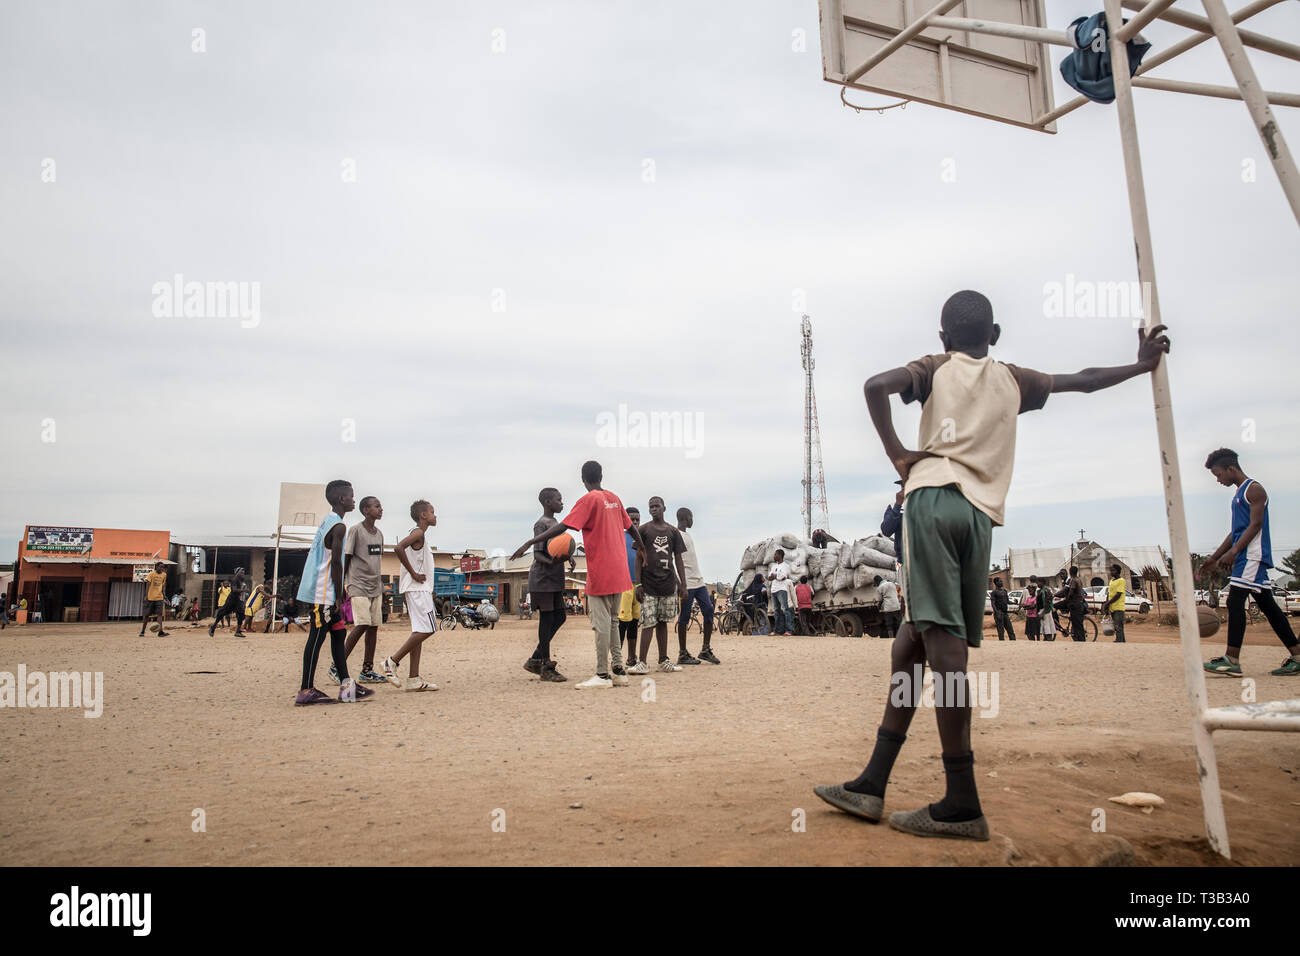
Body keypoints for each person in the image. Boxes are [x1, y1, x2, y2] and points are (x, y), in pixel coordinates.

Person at [814, 289, 1170, 841]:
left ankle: (961, 800)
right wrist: (1142, 365)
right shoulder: (1015, 378)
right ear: (995, 335)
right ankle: (871, 782)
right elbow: (1084, 378)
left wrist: (899, 456)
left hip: (933, 501)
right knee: (910, 641)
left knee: (943, 643)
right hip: (979, 517)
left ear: (942, 338)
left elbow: (875, 386)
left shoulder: (934, 368)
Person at [511, 462, 644, 689]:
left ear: (583, 479)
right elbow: (631, 527)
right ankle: (619, 670)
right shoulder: (614, 498)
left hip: (601, 570)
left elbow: (563, 527)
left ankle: (602, 674)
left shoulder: (588, 500)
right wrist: (643, 549)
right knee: (613, 621)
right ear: (601, 475)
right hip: (619, 570)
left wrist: (529, 542)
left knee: (601, 624)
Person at [1202, 449, 1300, 677]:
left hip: (1252, 556)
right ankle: (1297, 656)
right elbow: (1235, 531)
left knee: (1235, 601)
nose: (1218, 480)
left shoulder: (1254, 490)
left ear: (1231, 469)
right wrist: (1215, 557)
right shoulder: (1238, 496)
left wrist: (1235, 552)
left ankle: (1232, 660)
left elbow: (1255, 525)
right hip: (1245, 556)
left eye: (1218, 474)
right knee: (1268, 607)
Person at [295, 480, 373, 706]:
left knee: (339, 634)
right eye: (351, 496)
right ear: (342, 499)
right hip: (323, 593)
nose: (353, 500)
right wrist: (339, 594)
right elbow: (337, 564)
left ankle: (347, 686)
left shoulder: (329, 522)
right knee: (316, 638)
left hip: (327, 591)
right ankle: (305, 690)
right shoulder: (338, 526)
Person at [382, 500, 441, 692]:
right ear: (423, 515)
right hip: (418, 588)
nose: (435, 515)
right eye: (432, 512)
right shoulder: (418, 533)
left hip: (417, 589)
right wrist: (414, 574)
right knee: (429, 628)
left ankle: (414, 679)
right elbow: (398, 548)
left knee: (419, 631)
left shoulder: (418, 534)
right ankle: (392, 662)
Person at [331, 496, 388, 685]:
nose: (381, 509)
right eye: (376, 506)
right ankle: (336, 667)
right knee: (362, 624)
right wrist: (341, 586)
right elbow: (346, 558)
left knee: (373, 627)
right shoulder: (355, 530)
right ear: (365, 510)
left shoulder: (379, 534)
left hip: (375, 586)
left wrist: (382, 587)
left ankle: (367, 670)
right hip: (358, 584)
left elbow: (376, 561)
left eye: (380, 506)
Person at [630, 497, 689, 674]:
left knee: (663, 622)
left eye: (657, 506)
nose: (654, 509)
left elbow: (677, 559)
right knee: (648, 622)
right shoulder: (644, 530)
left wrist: (683, 584)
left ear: (664, 507)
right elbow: (638, 558)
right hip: (648, 585)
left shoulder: (673, 531)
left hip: (668, 584)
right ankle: (642, 662)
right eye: (651, 507)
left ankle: (663, 660)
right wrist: (638, 583)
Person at [524, 487, 575, 683]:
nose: (562, 503)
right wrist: (553, 562)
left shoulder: (556, 523)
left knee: (560, 616)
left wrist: (568, 557)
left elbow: (560, 548)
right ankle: (544, 664)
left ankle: (536, 658)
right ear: (547, 502)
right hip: (542, 579)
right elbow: (537, 554)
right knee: (546, 619)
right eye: (558, 500)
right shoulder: (541, 524)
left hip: (555, 579)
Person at [676, 507, 720, 665]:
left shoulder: (688, 535)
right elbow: (674, 560)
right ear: (686, 518)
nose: (692, 520)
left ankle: (705, 650)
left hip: (699, 581)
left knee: (708, 610)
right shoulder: (676, 534)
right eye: (691, 517)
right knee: (684, 617)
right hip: (686, 582)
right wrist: (680, 584)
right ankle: (682, 653)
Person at [619, 507, 642, 668]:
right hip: (624, 584)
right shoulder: (619, 536)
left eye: (637, 520)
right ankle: (616, 658)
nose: (634, 522)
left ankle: (631, 657)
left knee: (635, 621)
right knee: (622, 622)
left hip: (639, 585)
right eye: (631, 519)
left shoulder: (641, 537)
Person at [209, 568, 248, 637]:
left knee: (241, 614)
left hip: (237, 600)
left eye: (243, 573)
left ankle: (238, 631)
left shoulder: (240, 580)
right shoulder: (234, 580)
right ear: (237, 573)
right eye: (241, 573)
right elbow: (234, 590)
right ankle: (213, 626)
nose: (243, 574)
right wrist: (243, 590)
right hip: (232, 599)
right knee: (222, 613)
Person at [768, 549, 795, 637]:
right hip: (773, 590)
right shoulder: (773, 566)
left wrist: (775, 576)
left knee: (785, 610)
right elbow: (769, 577)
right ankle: (777, 630)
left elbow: (783, 577)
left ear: (780, 555)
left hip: (782, 589)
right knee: (776, 611)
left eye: (775, 554)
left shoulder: (785, 566)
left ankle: (789, 630)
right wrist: (776, 576)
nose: (774, 556)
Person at [140, 561, 170, 637]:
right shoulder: (151, 574)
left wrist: (164, 596)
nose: (162, 568)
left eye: (163, 567)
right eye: (160, 567)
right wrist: (146, 595)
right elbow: (147, 584)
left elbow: (163, 586)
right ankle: (142, 631)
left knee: (159, 615)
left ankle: (160, 632)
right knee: (146, 615)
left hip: (159, 597)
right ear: (156, 567)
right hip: (150, 598)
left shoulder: (164, 575)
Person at [1059, 567, 1087, 642]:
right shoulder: (1078, 579)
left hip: (1075, 604)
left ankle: (1081, 639)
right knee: (1077, 623)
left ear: (1070, 572)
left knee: (1077, 623)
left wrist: (1067, 599)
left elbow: (1071, 592)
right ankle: (1079, 639)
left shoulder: (1073, 580)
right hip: (1078, 603)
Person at [1104, 564, 1127, 644]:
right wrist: (1107, 603)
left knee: (1119, 626)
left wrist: (1108, 602)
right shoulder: (1111, 581)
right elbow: (1109, 593)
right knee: (1116, 626)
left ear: (1118, 571)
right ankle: (1120, 640)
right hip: (1112, 607)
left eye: (1113, 570)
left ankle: (1120, 641)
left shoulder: (1121, 581)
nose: (1111, 572)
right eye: (1111, 570)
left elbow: (1118, 594)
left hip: (1118, 607)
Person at [875, 574, 901, 640]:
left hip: (888, 608)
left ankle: (891, 638)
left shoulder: (880, 588)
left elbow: (880, 600)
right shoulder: (892, 583)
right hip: (897, 606)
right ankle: (899, 637)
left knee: (889, 624)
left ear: (877, 582)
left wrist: (879, 606)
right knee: (898, 623)